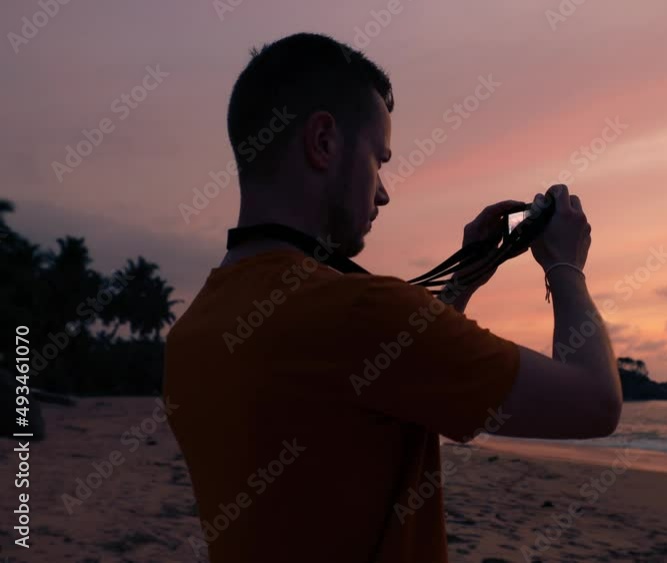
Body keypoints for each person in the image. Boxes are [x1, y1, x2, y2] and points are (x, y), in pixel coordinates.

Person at [164, 32, 621, 563]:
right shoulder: (363, 313)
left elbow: (376, 385)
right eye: (379, 160)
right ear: (324, 142)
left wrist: (464, 280)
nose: (383, 191)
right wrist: (566, 266)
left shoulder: (192, 334)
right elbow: (595, 403)